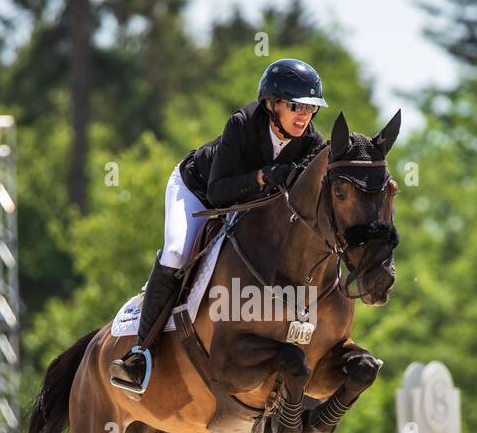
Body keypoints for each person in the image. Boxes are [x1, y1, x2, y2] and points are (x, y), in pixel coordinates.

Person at [109, 58, 329, 393]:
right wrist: (261, 176)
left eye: (311, 108)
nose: (304, 116)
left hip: (249, 205)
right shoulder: (242, 124)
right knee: (177, 252)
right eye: (295, 106)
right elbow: (217, 192)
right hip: (197, 191)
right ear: (272, 104)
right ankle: (140, 355)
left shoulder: (312, 143)